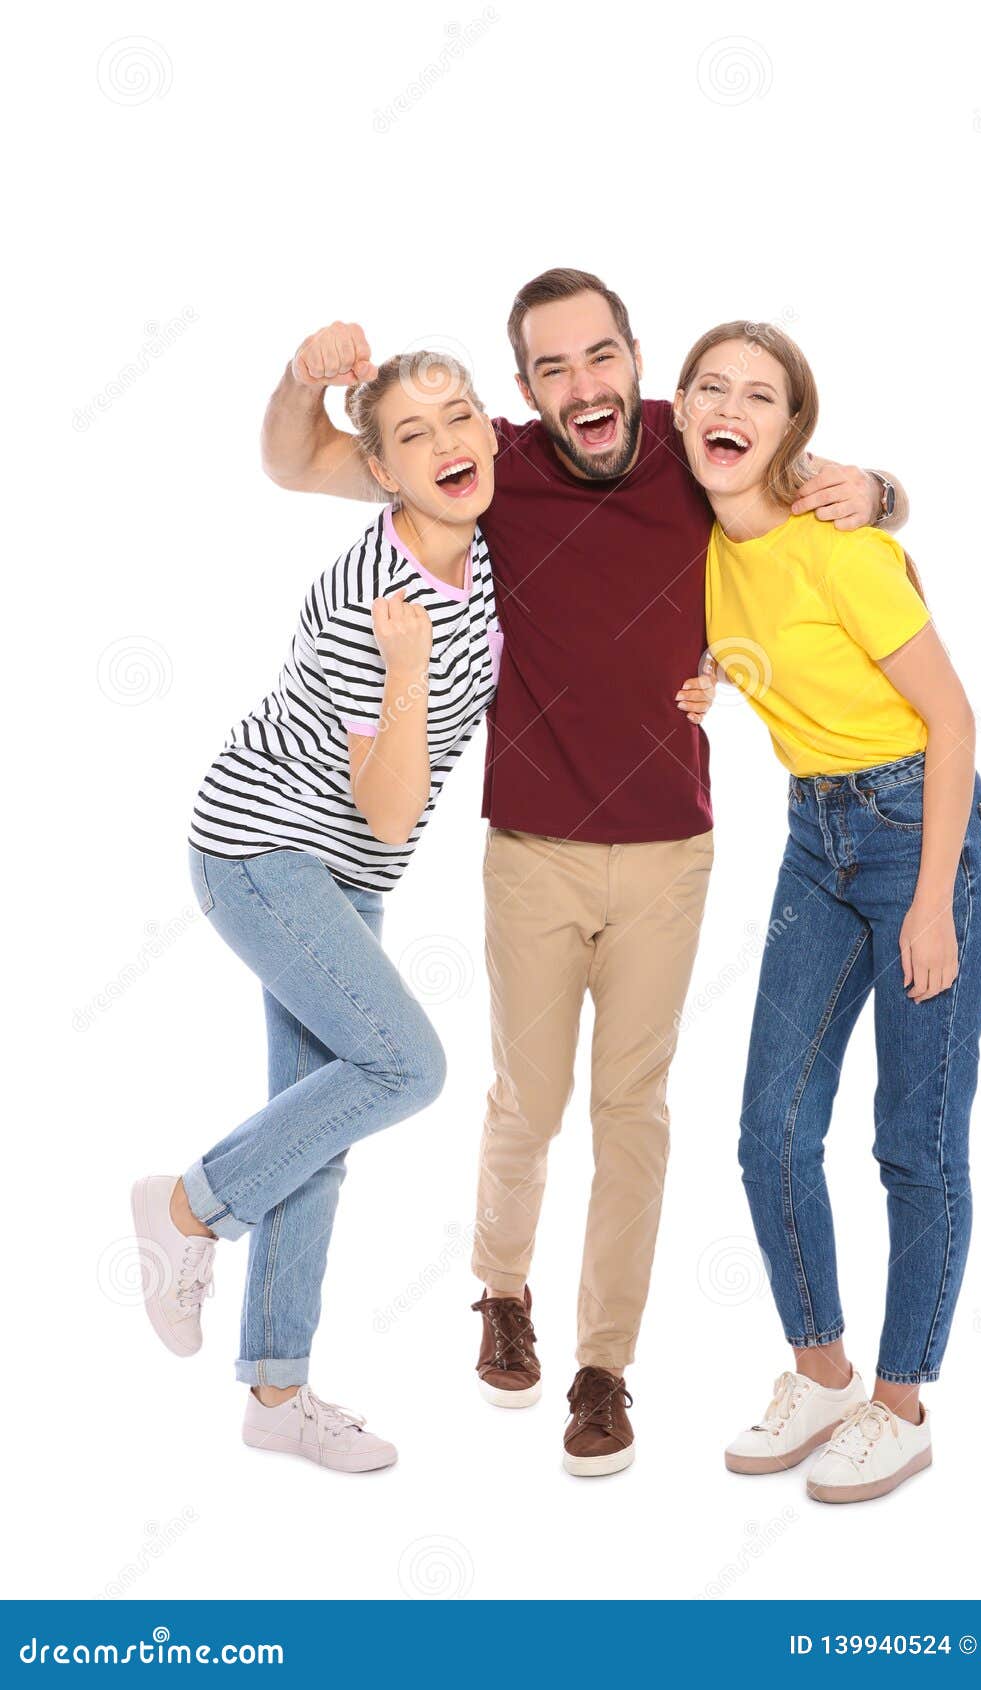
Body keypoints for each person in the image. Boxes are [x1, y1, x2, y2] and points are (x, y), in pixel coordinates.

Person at [261, 271, 904, 1477]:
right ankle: (502, 1291)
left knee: (633, 1113)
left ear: (636, 360)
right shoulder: (491, 466)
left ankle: (604, 1368)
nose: (582, 384)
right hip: (532, 851)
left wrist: (883, 490)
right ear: (524, 387)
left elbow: (821, 485)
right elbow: (298, 465)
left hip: (670, 851)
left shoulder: (691, 443)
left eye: (599, 356)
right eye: (552, 368)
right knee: (528, 1098)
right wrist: (302, 379)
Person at [132, 352, 501, 1473]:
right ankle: (187, 1207)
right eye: (415, 434)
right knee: (406, 1067)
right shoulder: (369, 607)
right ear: (380, 472)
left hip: (345, 874)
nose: (448, 443)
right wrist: (406, 668)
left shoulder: (485, 532)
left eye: (461, 416)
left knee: (317, 1131)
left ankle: (277, 1395)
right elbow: (388, 810)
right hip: (262, 853)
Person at [674, 321, 981, 1503]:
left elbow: (953, 720)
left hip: (926, 833)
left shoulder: (841, 547)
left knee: (913, 1141)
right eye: (711, 387)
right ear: (680, 409)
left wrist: (933, 901)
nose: (731, 408)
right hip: (813, 838)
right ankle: (820, 1374)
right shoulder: (691, 536)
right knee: (768, 1130)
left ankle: (900, 1406)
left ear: (792, 429)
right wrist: (706, 675)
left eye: (759, 395)